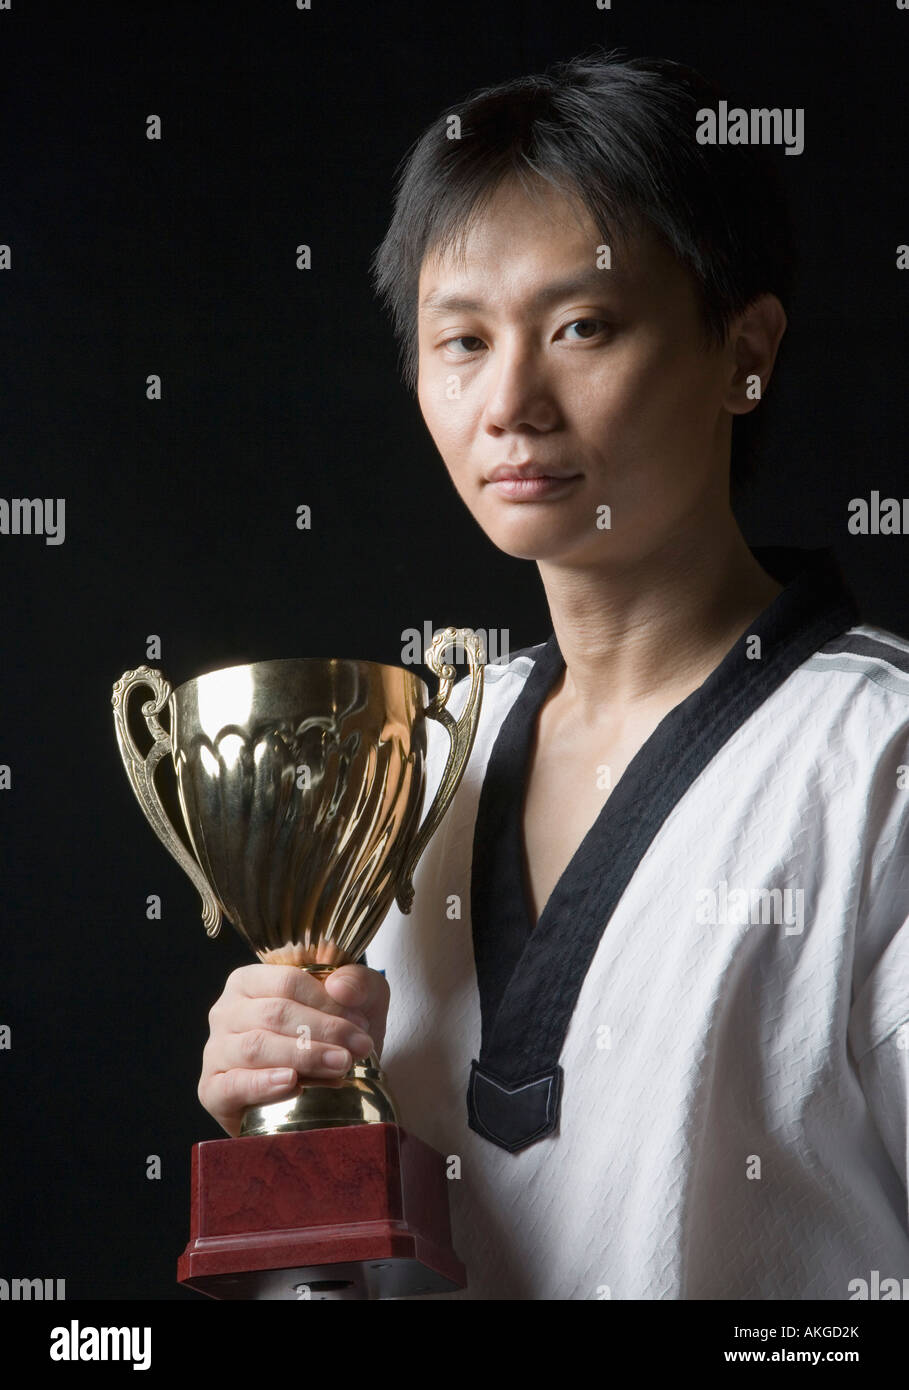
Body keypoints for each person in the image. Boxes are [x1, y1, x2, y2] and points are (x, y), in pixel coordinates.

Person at [198, 49, 909, 1299]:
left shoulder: (876, 761)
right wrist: (288, 1103)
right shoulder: (409, 768)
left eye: (581, 325)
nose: (511, 401)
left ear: (745, 349)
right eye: (460, 339)